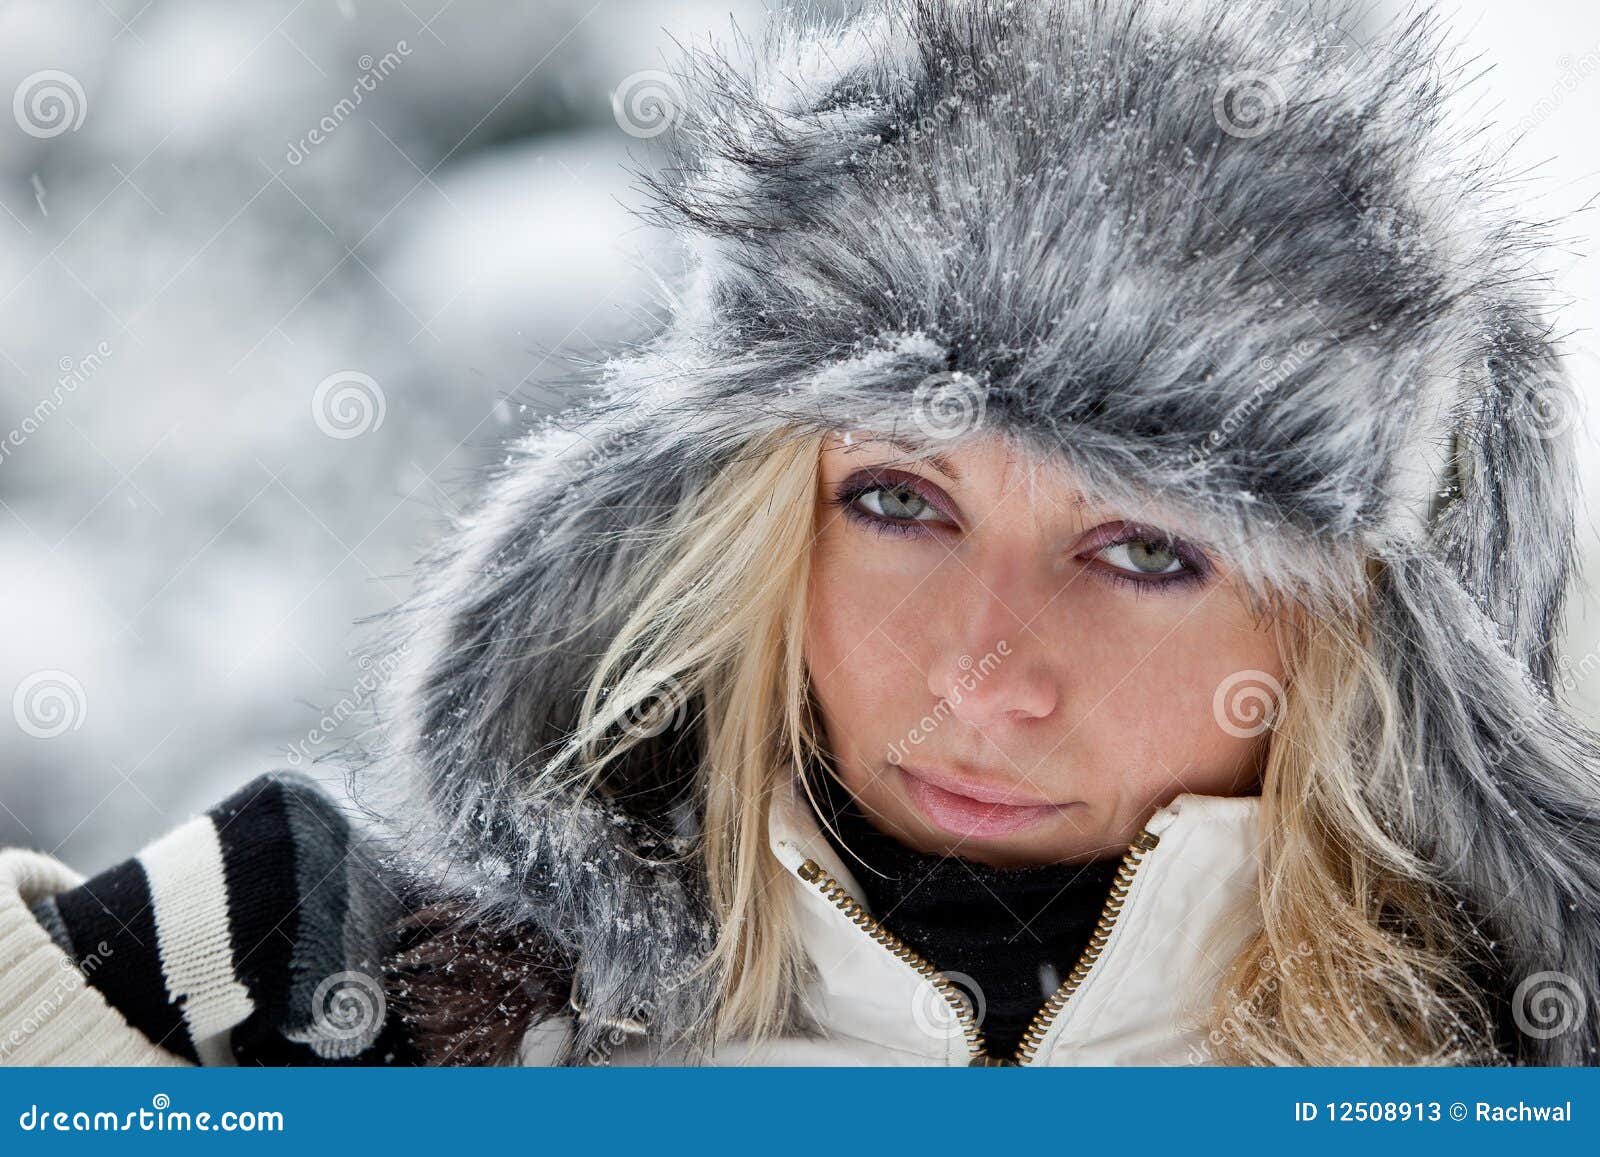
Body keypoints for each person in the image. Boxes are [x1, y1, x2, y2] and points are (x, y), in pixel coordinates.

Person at [3, 0, 1598, 1068]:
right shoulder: (330, 962)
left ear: (1367, 643)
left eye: (1146, 551)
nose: (985, 677)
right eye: (899, 501)